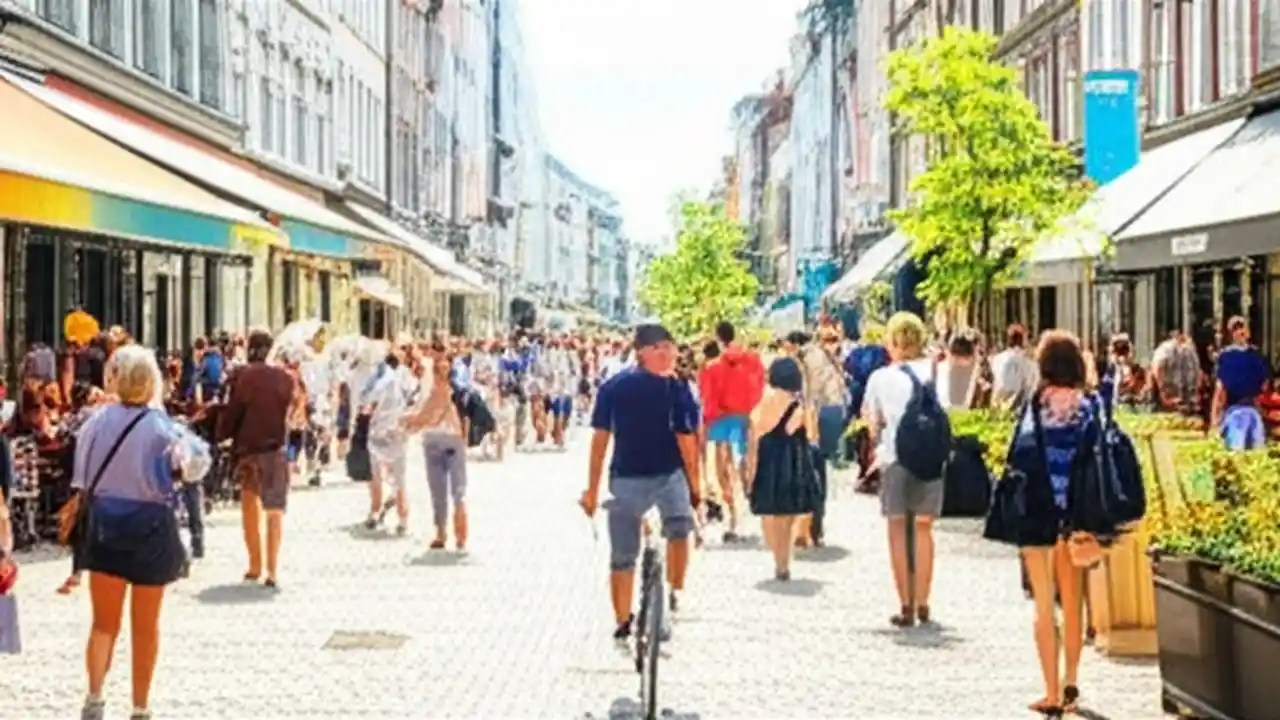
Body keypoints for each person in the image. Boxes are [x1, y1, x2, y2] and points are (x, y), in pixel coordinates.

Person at [74, 345, 205, 720]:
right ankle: (140, 706)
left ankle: (95, 696)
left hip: (105, 526)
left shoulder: (94, 424)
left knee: (103, 623)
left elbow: (82, 480)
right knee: (145, 627)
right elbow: (194, 467)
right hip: (151, 528)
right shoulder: (163, 428)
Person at [580, 324, 701, 638]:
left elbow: (688, 440)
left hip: (647, 475)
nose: (667, 354)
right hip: (636, 477)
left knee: (675, 528)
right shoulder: (629, 388)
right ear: (642, 353)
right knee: (638, 546)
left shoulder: (668, 387)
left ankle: (671, 592)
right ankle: (626, 617)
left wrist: (695, 484)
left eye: (669, 347)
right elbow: (600, 442)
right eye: (659, 348)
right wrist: (591, 489)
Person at [1007, 330, 1097, 717]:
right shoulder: (1089, 406)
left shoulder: (1035, 407)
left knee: (1044, 605)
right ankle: (1071, 683)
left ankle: (1049, 692)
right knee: (1073, 601)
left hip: (1038, 513)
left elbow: (1017, 458)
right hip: (1075, 516)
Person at [862, 312, 943, 628]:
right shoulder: (935, 372)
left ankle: (906, 604)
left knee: (897, 528)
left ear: (893, 342)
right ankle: (924, 602)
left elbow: (872, 423)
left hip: (896, 458)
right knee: (923, 529)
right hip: (931, 458)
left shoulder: (881, 378)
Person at [217, 329, 298, 589]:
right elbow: (293, 409)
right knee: (274, 511)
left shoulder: (242, 376)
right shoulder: (286, 379)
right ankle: (273, 570)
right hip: (274, 450)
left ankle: (255, 564)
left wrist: (221, 434)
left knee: (249, 506)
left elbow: (234, 411)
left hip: (248, 449)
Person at [746, 357, 821, 580]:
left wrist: (750, 472)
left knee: (769, 514)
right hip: (791, 462)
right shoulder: (799, 405)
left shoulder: (762, 403)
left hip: (766, 460)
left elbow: (753, 440)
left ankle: (777, 557)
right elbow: (812, 436)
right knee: (786, 517)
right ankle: (783, 561)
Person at [698, 321, 764, 543]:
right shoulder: (753, 360)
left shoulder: (711, 367)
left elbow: (708, 398)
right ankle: (746, 502)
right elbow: (759, 387)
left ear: (718, 337)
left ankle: (732, 516)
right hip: (746, 417)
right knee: (744, 461)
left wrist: (706, 424)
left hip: (720, 419)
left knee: (722, 469)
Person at [403, 348, 469, 550]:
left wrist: (408, 422)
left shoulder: (440, 390)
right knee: (455, 491)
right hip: (451, 441)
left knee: (442, 491)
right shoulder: (449, 387)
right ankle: (457, 536)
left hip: (438, 441)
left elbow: (430, 416)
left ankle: (446, 534)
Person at [363, 351, 416, 533]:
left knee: (376, 475)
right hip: (399, 432)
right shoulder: (407, 378)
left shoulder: (380, 381)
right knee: (400, 478)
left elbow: (367, 404)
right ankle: (403, 519)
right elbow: (415, 402)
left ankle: (375, 511)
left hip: (378, 432)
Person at [1212, 315, 1269, 451]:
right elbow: (1220, 390)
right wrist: (1214, 419)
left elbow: (1264, 385)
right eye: (1235, 329)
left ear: (1248, 331)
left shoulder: (1256, 356)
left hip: (1254, 411)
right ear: (1231, 334)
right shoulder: (1226, 356)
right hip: (1234, 411)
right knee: (1237, 451)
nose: (1240, 332)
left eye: (1242, 327)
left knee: (1256, 453)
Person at [990, 323, 1038, 411]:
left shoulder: (997, 359)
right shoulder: (1029, 363)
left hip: (999, 407)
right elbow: (1033, 386)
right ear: (1024, 340)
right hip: (1020, 409)